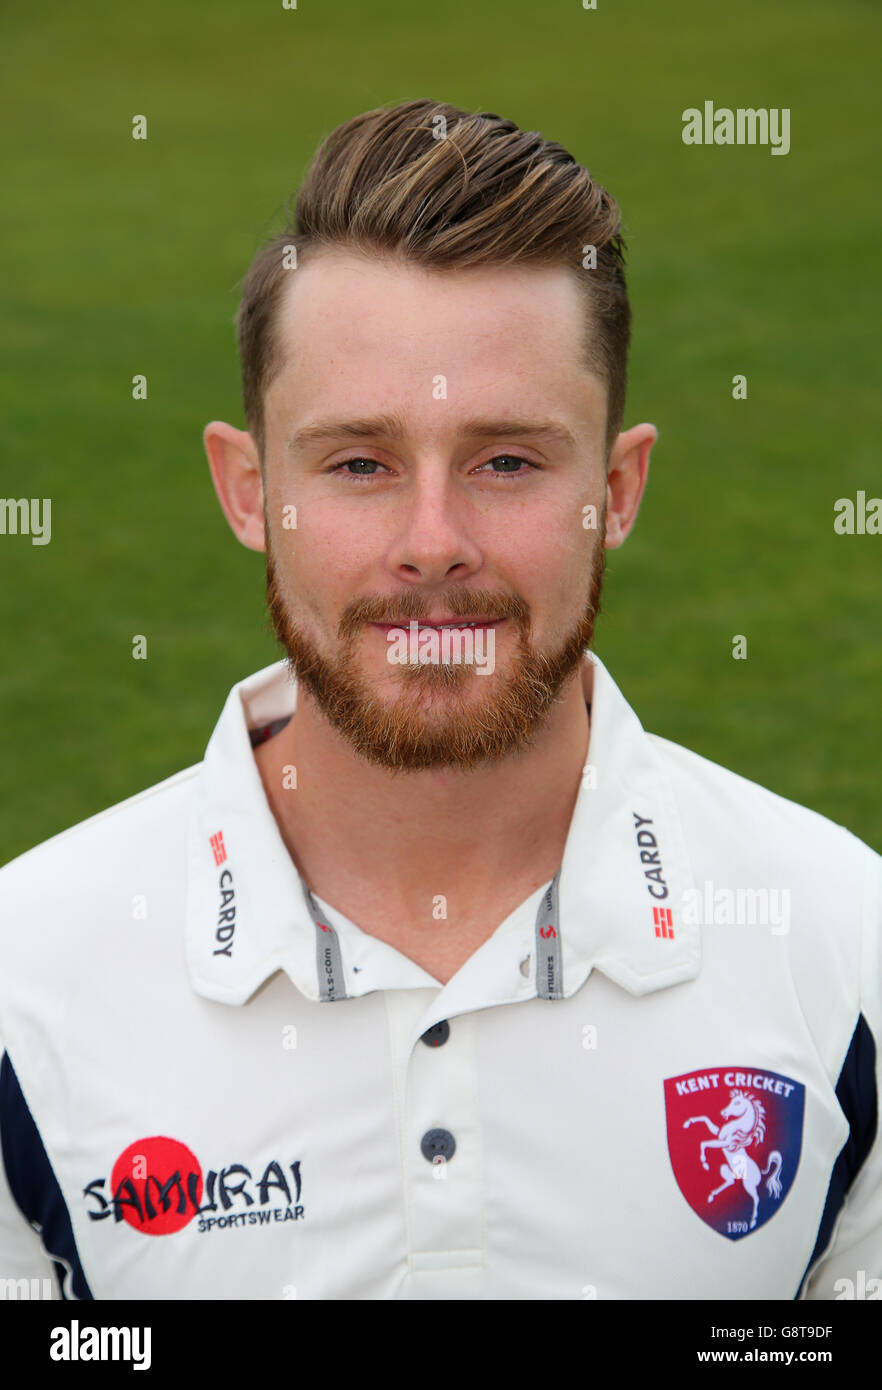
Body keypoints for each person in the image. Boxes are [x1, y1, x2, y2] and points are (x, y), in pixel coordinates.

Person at [0, 100, 878, 1302]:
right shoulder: (25, 986)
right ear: (248, 491)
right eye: (358, 463)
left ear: (616, 490)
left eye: (508, 460)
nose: (433, 543)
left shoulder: (848, 953)